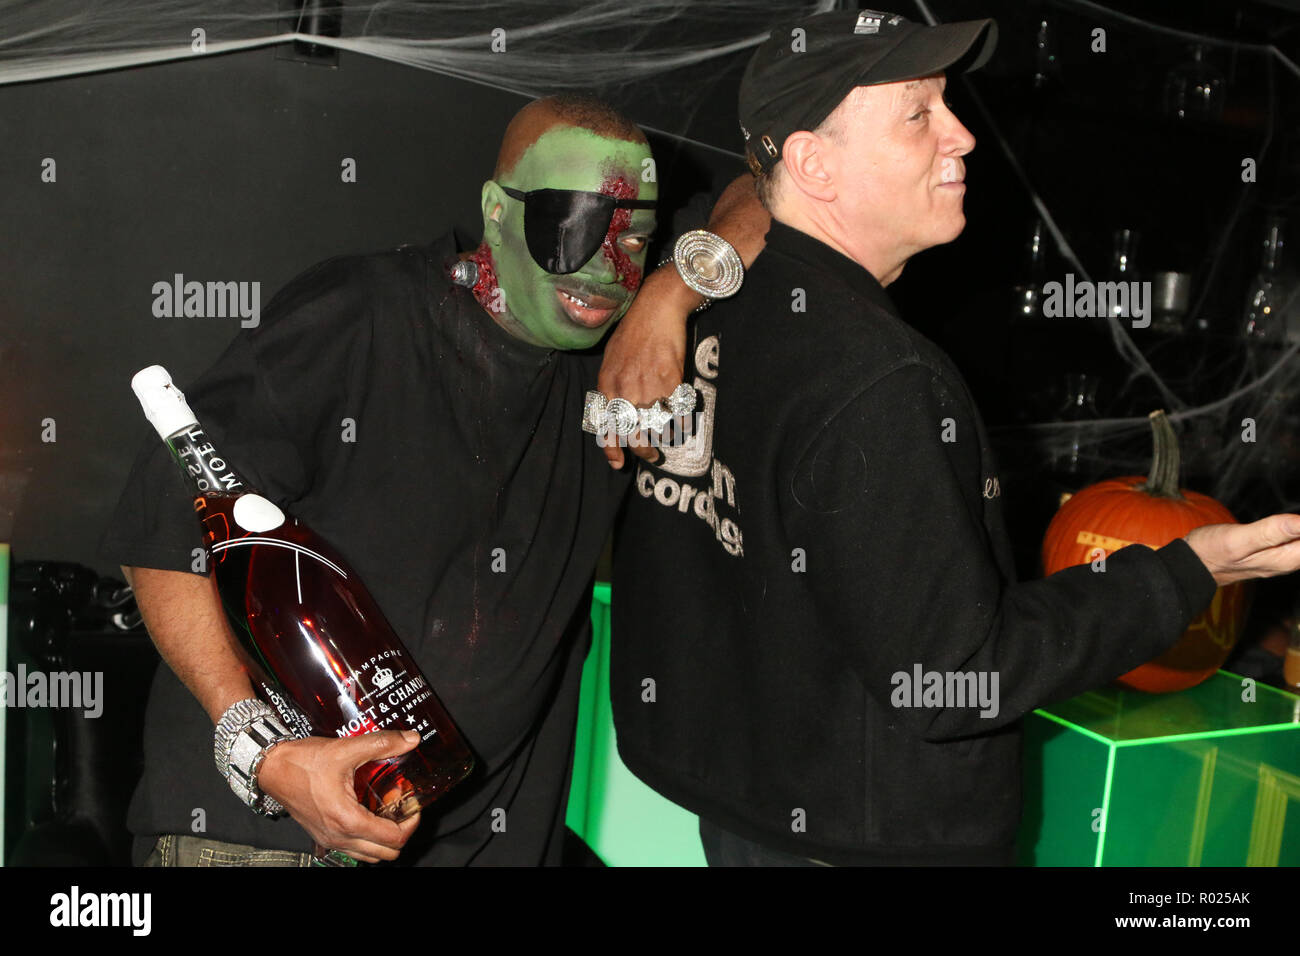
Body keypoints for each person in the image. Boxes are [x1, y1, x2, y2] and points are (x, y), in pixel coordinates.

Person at [599, 10, 1300, 866]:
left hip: (749, 809)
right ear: (815, 163)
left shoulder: (708, 298)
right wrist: (1191, 569)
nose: (963, 136)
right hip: (866, 838)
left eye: (948, 105)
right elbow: (955, 678)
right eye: (918, 115)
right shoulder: (876, 378)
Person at [102, 94, 670, 866]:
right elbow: (163, 519)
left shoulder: (610, 386)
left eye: (636, 236)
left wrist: (673, 294)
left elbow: (770, 197)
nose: (612, 267)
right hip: (272, 839)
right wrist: (260, 752)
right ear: (497, 213)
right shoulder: (363, 314)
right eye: (575, 228)